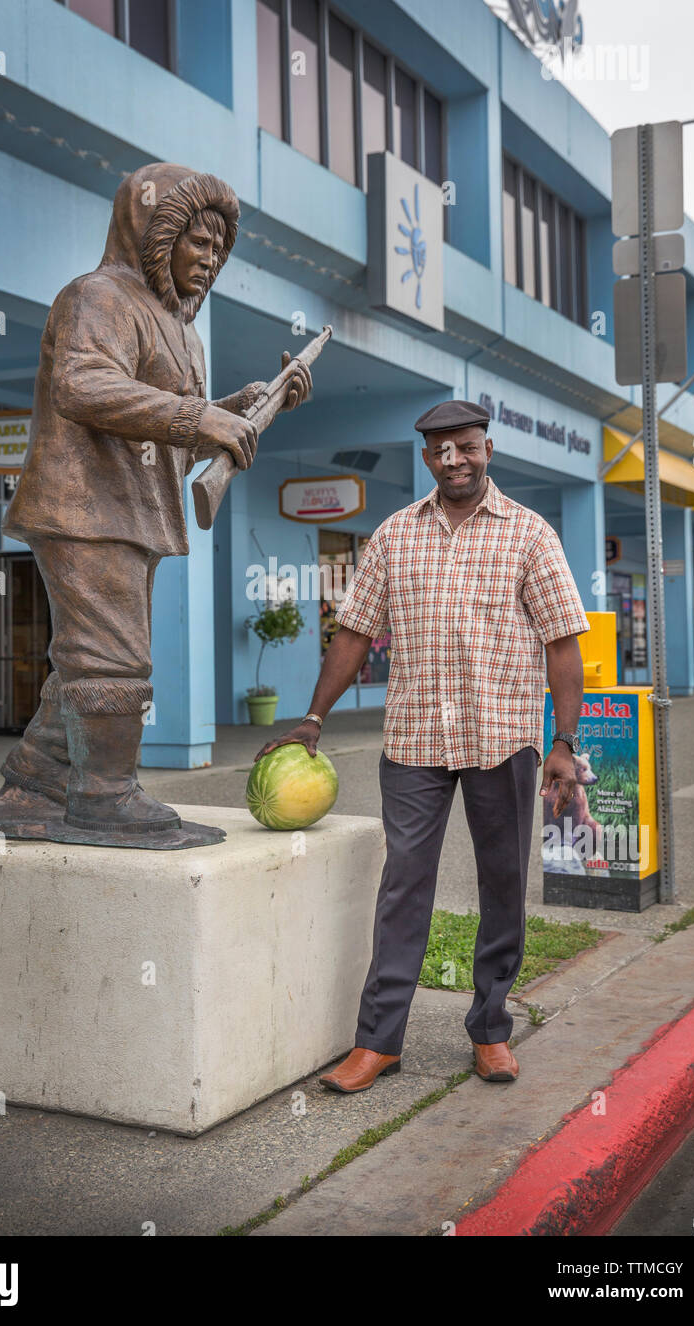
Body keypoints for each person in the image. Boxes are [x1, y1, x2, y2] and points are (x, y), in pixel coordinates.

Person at [0, 162, 312, 842]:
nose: (209, 261)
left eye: (218, 250)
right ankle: (105, 796)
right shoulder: (99, 297)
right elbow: (83, 386)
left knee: (86, 653)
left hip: (131, 511)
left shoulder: (179, 327)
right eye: (196, 243)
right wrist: (200, 420)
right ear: (155, 235)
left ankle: (34, 783)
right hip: (84, 508)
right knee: (113, 657)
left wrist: (245, 409)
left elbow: (173, 420)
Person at [255, 399, 589, 1088]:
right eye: (440, 450)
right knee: (403, 884)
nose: (453, 460)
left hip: (503, 738)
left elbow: (562, 641)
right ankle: (379, 1041)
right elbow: (353, 634)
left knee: (503, 883)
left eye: (465, 447)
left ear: (486, 449)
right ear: (426, 457)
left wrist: (562, 741)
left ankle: (491, 1030)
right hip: (413, 739)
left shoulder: (530, 534)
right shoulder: (393, 535)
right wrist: (313, 717)